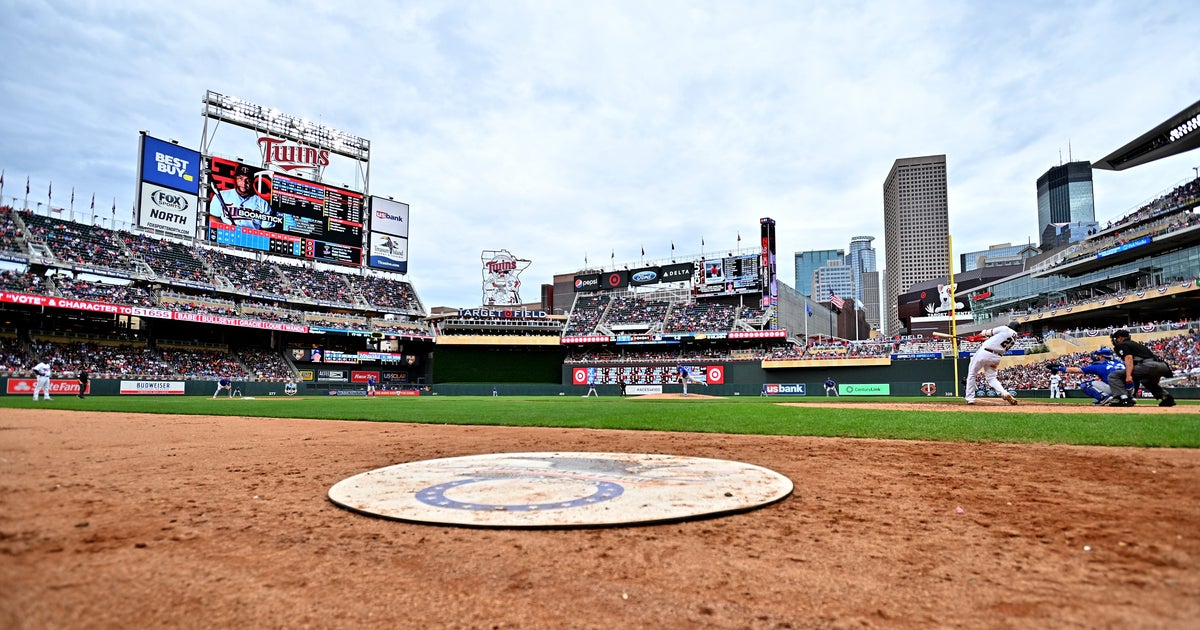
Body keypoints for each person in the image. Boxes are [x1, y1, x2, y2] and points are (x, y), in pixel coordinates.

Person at [1108, 329, 1175, 407]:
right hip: (1163, 366)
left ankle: (1123, 398)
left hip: (1149, 366)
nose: (1116, 340)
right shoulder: (1137, 345)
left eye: (1116, 338)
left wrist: (1128, 375)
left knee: (1114, 376)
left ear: (1120, 338)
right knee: (1146, 381)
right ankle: (1166, 397)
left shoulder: (1122, 345)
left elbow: (1128, 358)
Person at [963, 321, 1020, 405]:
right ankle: (1004, 393)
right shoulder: (1015, 337)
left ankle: (970, 398)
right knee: (992, 378)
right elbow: (994, 339)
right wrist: (976, 339)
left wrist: (974, 337)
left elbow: (985, 333)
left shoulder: (1005, 328)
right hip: (996, 357)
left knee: (972, 374)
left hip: (985, 352)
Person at [210, 163, 277, 230]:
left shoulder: (263, 204)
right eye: (240, 178)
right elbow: (212, 218)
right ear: (235, 179)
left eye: (248, 180)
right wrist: (228, 229)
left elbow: (268, 230)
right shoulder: (221, 196)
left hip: (251, 238)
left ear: (252, 182)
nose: (244, 183)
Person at [1051, 347, 1125, 405]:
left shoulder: (1099, 365)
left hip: (1114, 389)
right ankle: (1125, 398)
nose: (1097, 357)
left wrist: (1059, 368)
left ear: (1102, 356)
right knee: (1105, 380)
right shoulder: (1120, 363)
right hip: (1128, 390)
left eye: (1098, 355)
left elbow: (1077, 370)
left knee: (1085, 385)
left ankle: (1103, 397)